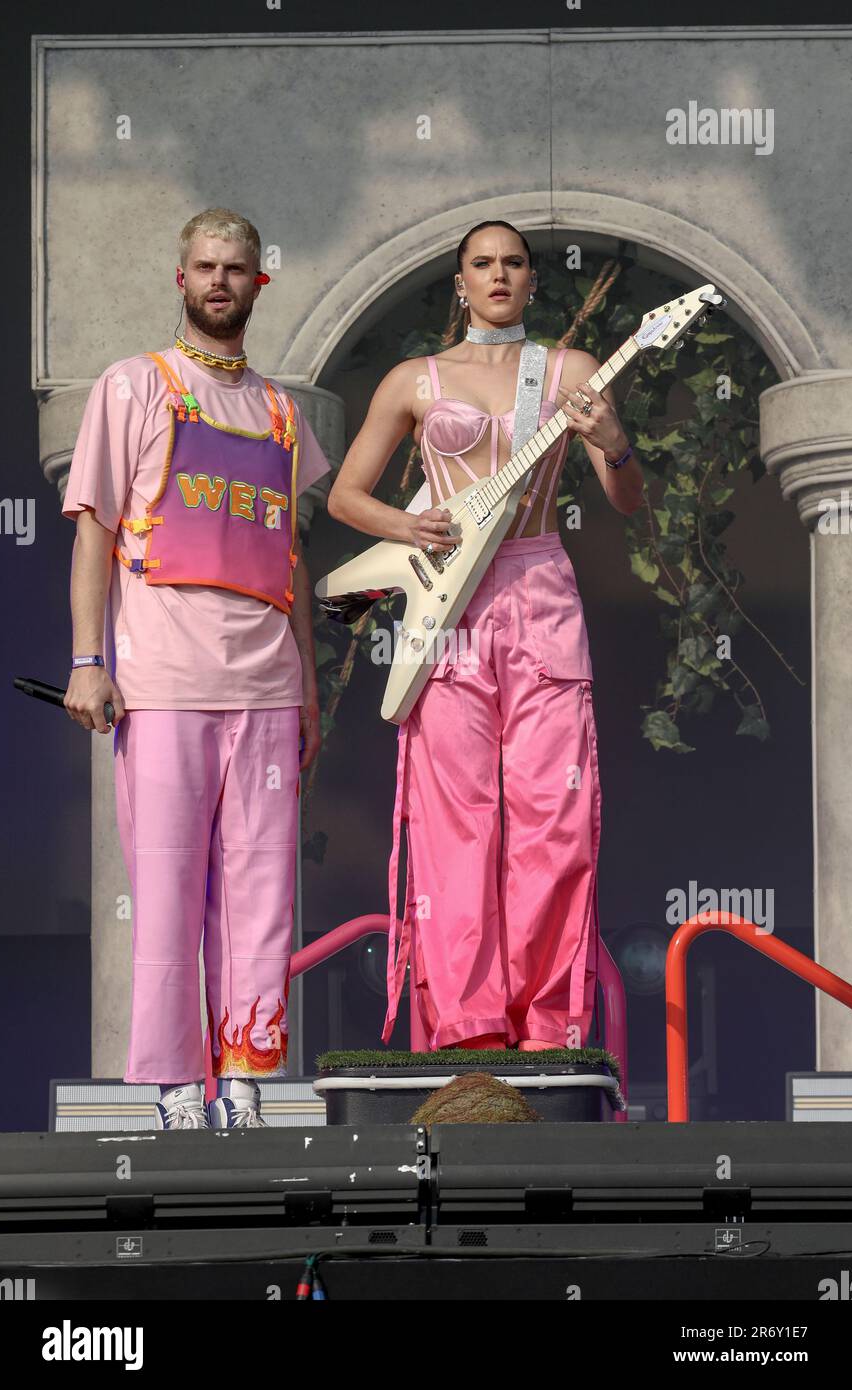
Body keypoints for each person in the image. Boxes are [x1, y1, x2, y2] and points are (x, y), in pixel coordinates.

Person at [327, 220, 643, 1053]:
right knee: (455, 818)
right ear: (458, 282)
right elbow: (345, 498)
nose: (498, 276)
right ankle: (465, 1030)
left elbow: (626, 501)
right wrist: (411, 524)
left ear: (533, 282)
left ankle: (547, 1029)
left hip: (538, 586)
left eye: (513, 264)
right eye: (481, 264)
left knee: (553, 815)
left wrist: (613, 444)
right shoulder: (415, 380)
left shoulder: (570, 373)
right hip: (447, 603)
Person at [62, 208, 330, 1128]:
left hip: (265, 685)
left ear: (262, 283)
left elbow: (287, 552)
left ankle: (246, 1080)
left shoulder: (284, 410)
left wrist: (309, 682)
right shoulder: (133, 385)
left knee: (261, 895)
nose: (222, 280)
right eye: (206, 266)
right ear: (182, 279)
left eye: (238, 267)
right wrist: (87, 660)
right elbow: (95, 531)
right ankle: (178, 1087)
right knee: (171, 891)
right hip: (163, 684)